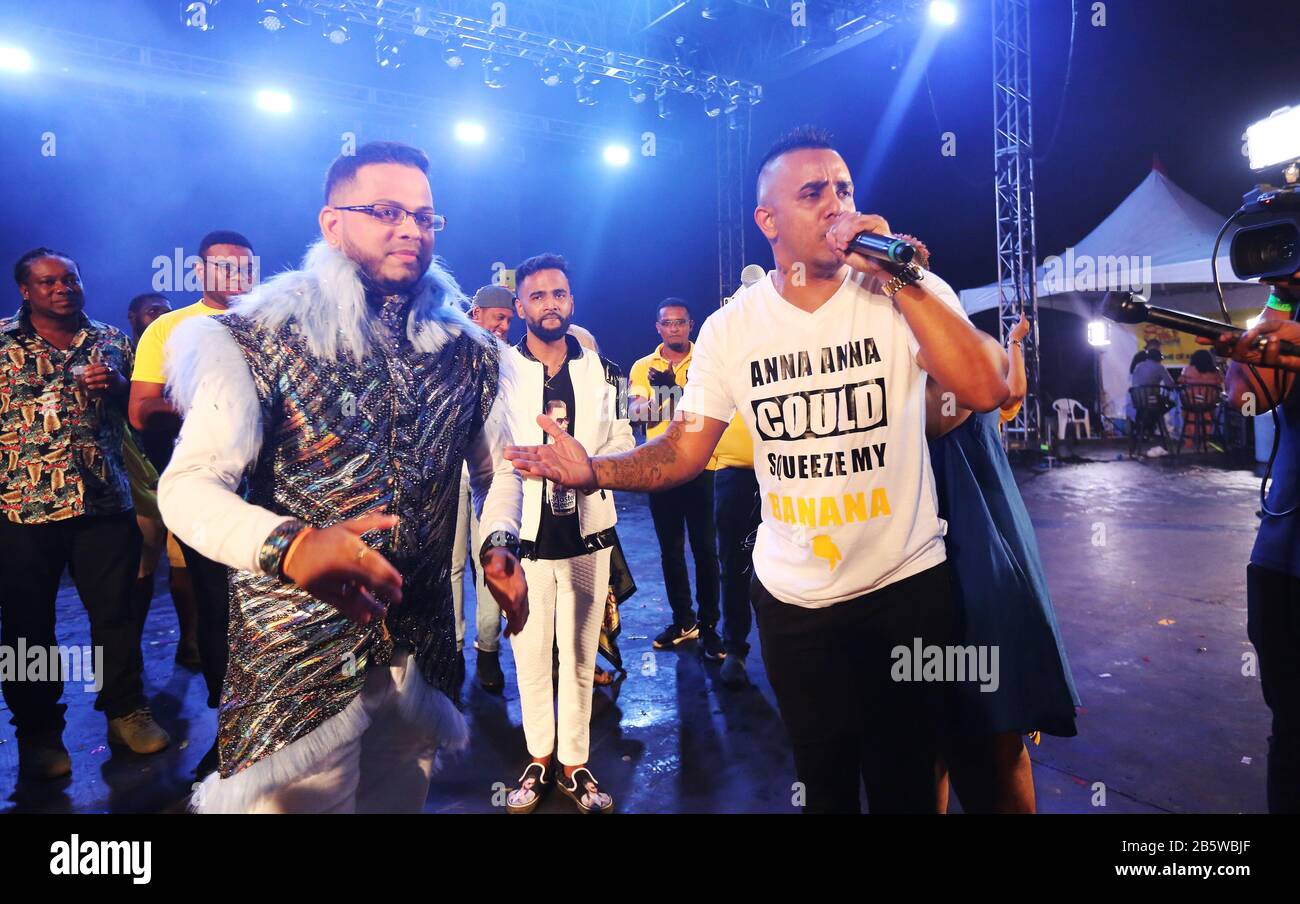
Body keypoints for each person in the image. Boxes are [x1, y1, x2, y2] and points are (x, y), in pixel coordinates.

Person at [506, 126, 1009, 813]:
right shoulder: (732, 327)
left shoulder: (900, 290)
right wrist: (593, 470)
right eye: (813, 193)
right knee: (824, 785)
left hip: (907, 589)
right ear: (767, 220)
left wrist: (901, 277)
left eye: (844, 190)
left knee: (908, 787)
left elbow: (985, 388)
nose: (836, 204)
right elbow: (683, 452)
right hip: (796, 606)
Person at [158, 140, 528, 814]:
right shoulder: (260, 336)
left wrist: (499, 541)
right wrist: (291, 546)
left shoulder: (469, 354)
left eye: (424, 216)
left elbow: (497, 468)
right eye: (386, 211)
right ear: (332, 224)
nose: (410, 230)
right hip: (298, 657)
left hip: (419, 647)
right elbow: (186, 487)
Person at [2, 248, 170, 781]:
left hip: (102, 504)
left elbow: (138, 415)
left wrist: (119, 389)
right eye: (49, 282)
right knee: (28, 629)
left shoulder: (111, 342)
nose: (63, 288)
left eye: (71, 279)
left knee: (117, 615)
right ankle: (39, 733)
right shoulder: (1, 344)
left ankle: (125, 712)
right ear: (26, 290)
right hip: (21, 510)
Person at [926, 307, 1079, 813]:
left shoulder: (958, 356)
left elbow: (943, 412)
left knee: (988, 728)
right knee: (945, 732)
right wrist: (1014, 346)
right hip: (975, 534)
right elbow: (1015, 391)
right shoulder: (974, 347)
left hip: (971, 541)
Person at [502, 253, 632, 815]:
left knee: (580, 656)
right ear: (520, 307)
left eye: (558, 294)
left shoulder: (601, 371)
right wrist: (497, 540)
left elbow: (624, 441)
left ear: (570, 302)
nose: (549, 304)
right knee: (529, 655)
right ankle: (537, 756)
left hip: (588, 535)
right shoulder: (503, 371)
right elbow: (495, 463)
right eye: (537, 295)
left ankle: (575, 764)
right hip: (527, 538)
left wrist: (588, 467)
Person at [130, 231, 258, 777]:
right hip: (208, 493)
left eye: (243, 267)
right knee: (214, 605)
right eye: (221, 267)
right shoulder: (171, 327)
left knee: (275, 608)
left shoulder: (277, 321)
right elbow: (140, 409)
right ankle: (228, 731)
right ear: (198, 272)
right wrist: (216, 407)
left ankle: (282, 722)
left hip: (279, 491)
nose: (234, 277)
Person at [1211, 277, 1300, 812]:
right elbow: (1244, 397)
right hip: (1282, 554)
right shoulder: (1288, 306)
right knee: (1290, 730)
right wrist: (1281, 297)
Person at [628, 300, 723, 657]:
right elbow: (637, 411)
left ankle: (711, 625)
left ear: (691, 325)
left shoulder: (707, 360)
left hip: (704, 465)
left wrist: (670, 393)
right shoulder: (642, 366)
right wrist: (673, 396)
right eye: (667, 323)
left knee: (705, 549)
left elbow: (713, 408)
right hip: (662, 470)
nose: (674, 329)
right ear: (658, 327)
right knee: (670, 550)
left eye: (680, 322)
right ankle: (685, 621)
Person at [122, 292, 201, 669]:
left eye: (167, 314)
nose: (161, 319)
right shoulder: (117, 354)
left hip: (176, 472)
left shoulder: (178, 360)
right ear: (133, 316)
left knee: (183, 563)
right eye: (153, 311)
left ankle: (190, 642)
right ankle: (129, 653)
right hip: (133, 480)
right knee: (139, 570)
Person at [450, 284, 515, 692]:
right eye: (498, 318)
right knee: (452, 566)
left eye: (509, 319)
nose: (505, 326)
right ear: (476, 314)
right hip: (449, 474)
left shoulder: (513, 361)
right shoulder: (447, 356)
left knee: (489, 562)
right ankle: (453, 651)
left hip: (493, 475)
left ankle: (488, 651)